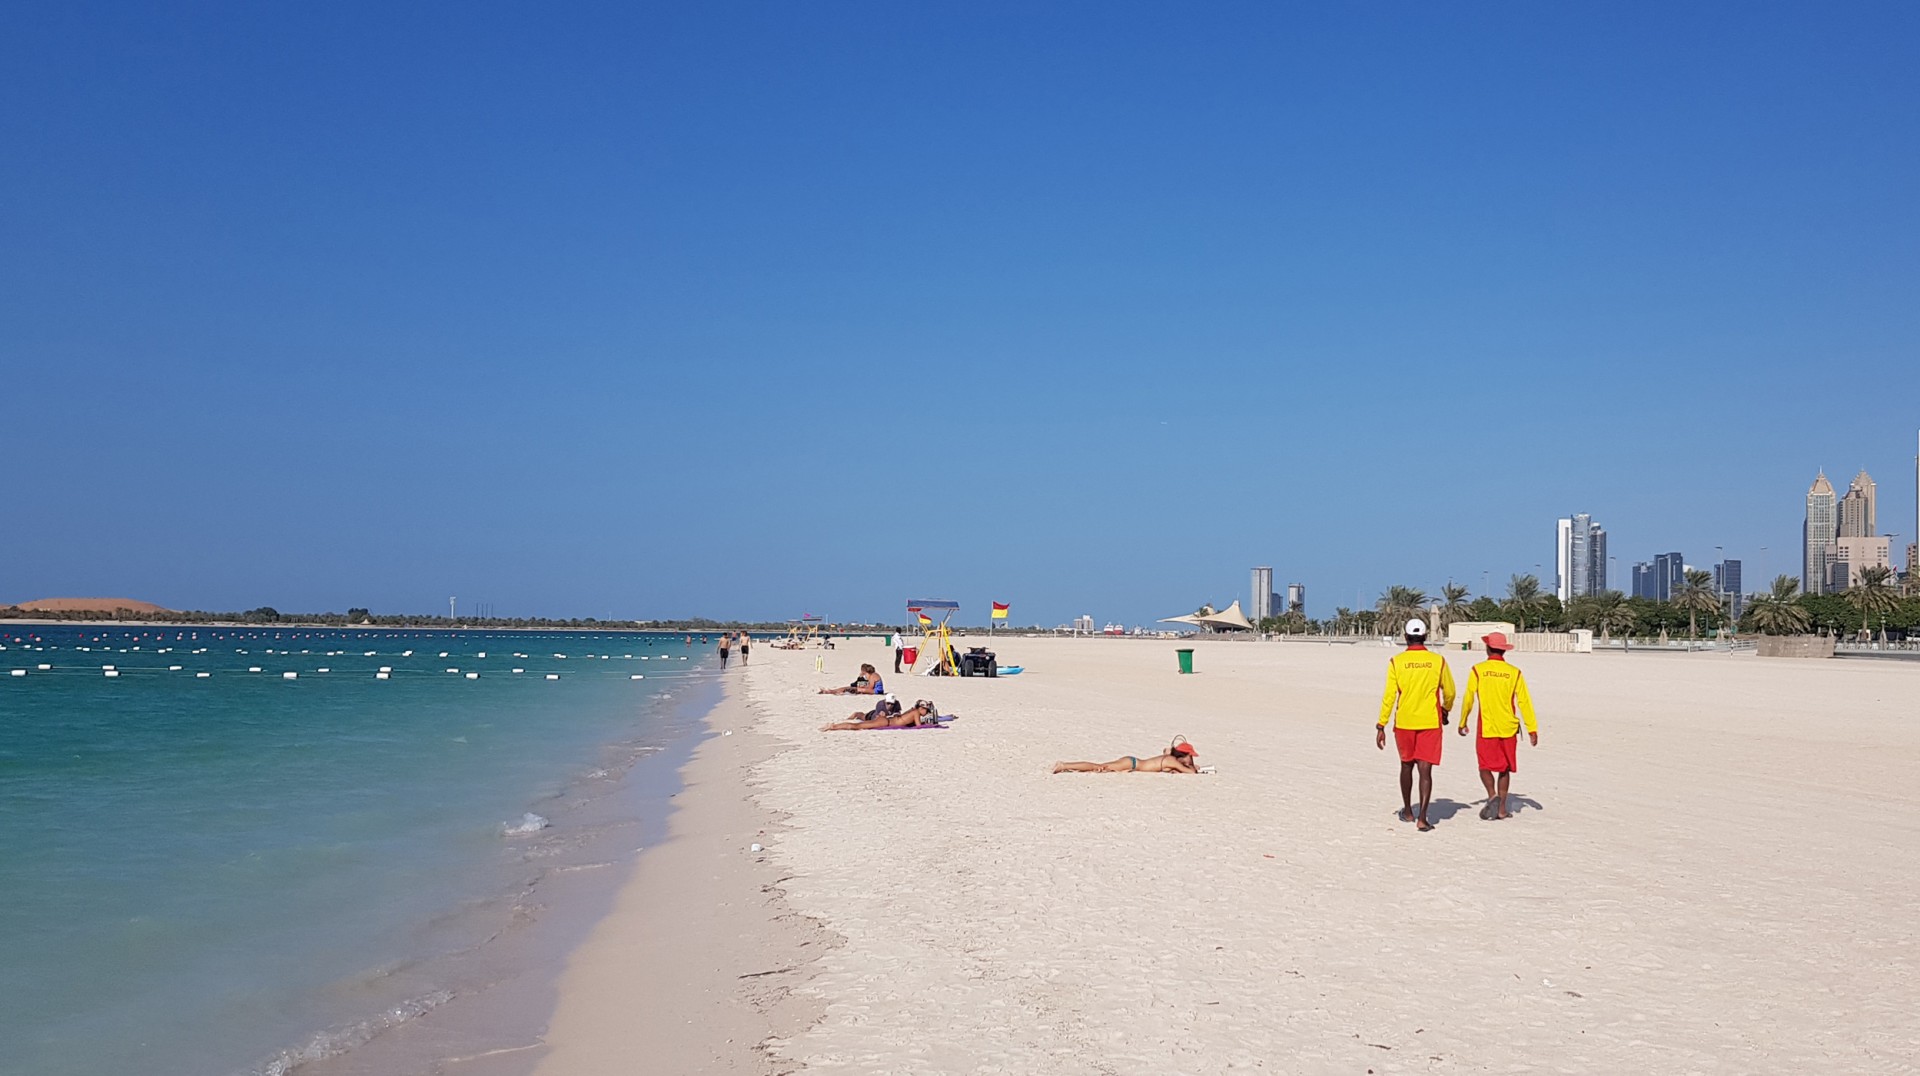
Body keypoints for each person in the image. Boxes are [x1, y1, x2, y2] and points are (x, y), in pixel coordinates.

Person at [1376, 618, 1456, 831]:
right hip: (1430, 721)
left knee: (1406, 766)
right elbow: (1450, 691)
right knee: (1425, 770)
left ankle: (1408, 811)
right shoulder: (1438, 661)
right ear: (1425, 637)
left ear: (1405, 637)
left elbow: (1389, 696)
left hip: (1405, 722)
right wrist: (1445, 710)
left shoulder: (1396, 662)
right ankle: (1423, 818)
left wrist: (1381, 724)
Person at [1457, 631, 1539, 820]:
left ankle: (1492, 794)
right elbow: (1524, 702)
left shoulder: (1478, 670)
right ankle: (1501, 809)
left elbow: (1468, 698)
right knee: (1504, 768)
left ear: (1487, 648)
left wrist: (1463, 722)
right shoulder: (1514, 672)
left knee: (1484, 766)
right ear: (1503, 651)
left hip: (1487, 726)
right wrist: (1532, 728)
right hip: (1509, 727)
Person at [1053, 737, 1199, 774]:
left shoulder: (1171, 760)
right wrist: (1191, 767)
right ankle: (1064, 765)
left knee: (1099, 768)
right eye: (1190, 757)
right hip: (1131, 764)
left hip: (1132, 762)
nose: (1190, 760)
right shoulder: (1172, 761)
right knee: (1097, 767)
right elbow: (1191, 772)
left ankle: (1066, 766)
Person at [820, 697, 938, 731]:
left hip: (886, 720)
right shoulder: (916, 713)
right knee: (857, 727)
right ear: (921, 708)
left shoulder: (912, 711)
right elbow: (918, 726)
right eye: (926, 710)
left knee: (859, 726)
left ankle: (834, 726)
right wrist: (930, 724)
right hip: (885, 722)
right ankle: (833, 726)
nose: (926, 712)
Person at [817, 663, 884, 695]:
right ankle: (832, 691)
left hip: (876, 691)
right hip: (875, 690)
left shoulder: (873, 676)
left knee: (854, 688)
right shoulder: (873, 675)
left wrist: (861, 687)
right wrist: (860, 680)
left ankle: (831, 692)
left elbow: (870, 688)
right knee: (851, 687)